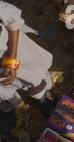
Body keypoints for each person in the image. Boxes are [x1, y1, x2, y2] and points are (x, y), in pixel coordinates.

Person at [0, 1, 55, 134]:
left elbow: (13, 21)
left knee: (31, 74)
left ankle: (42, 97)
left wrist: (11, 60)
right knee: (3, 93)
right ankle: (7, 110)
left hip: (12, 50)